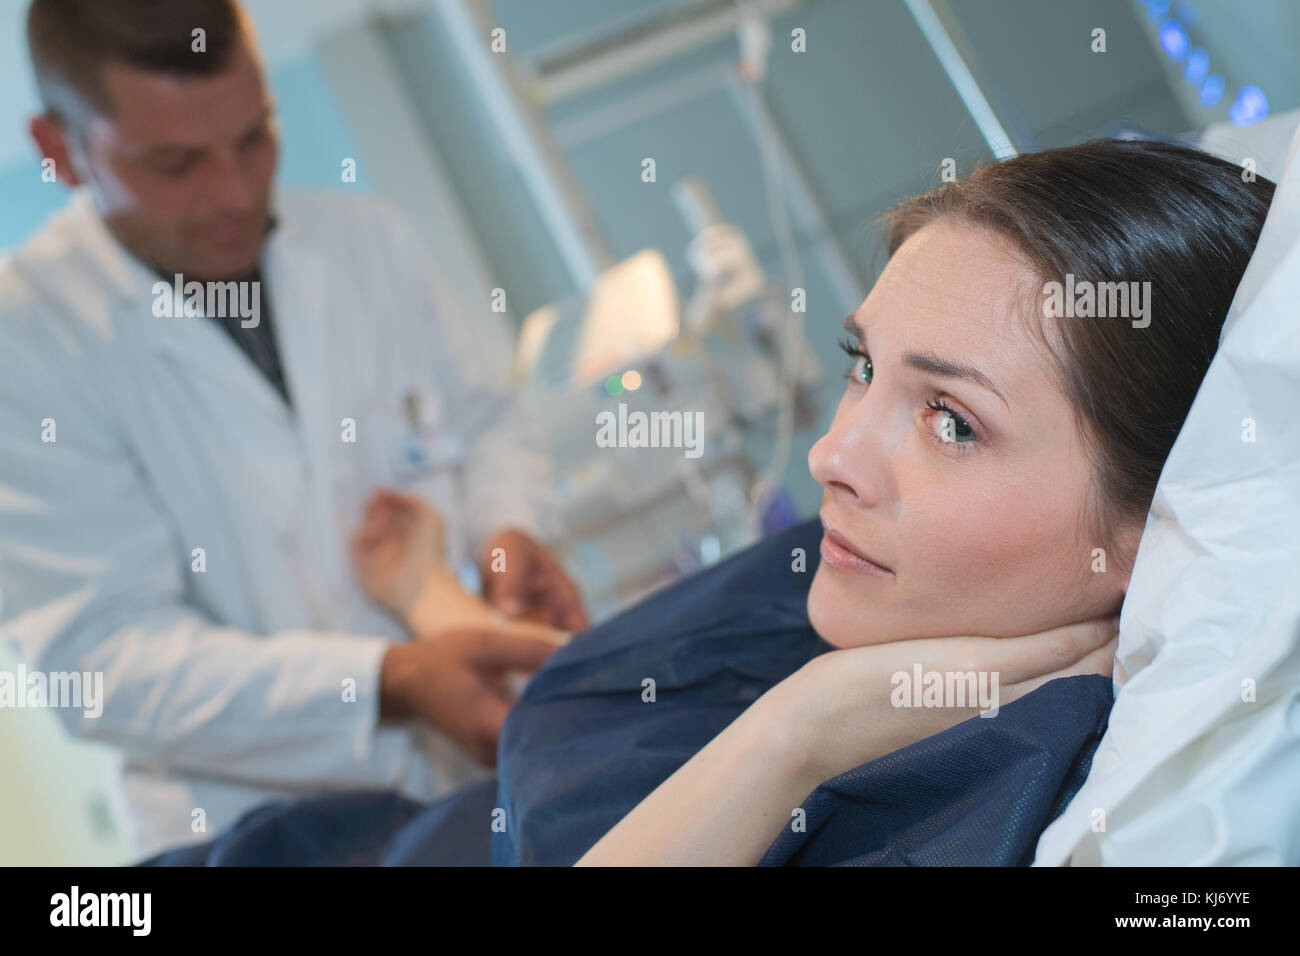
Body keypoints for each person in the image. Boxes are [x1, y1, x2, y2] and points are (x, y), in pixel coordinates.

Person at [133, 140, 1275, 867]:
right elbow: (588, 727)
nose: (834, 450)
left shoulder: (986, 785)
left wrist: (799, 731)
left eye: (951, 421)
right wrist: (428, 595)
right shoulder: (858, 585)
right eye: (863, 364)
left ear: (1148, 523)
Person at [0, 0, 586, 861]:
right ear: (61, 152)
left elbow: (487, 426)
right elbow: (103, 660)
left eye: (254, 139)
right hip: (247, 834)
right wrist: (387, 685)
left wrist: (510, 536)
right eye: (176, 165)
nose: (236, 194)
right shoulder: (28, 343)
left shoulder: (369, 245)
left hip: (476, 789)